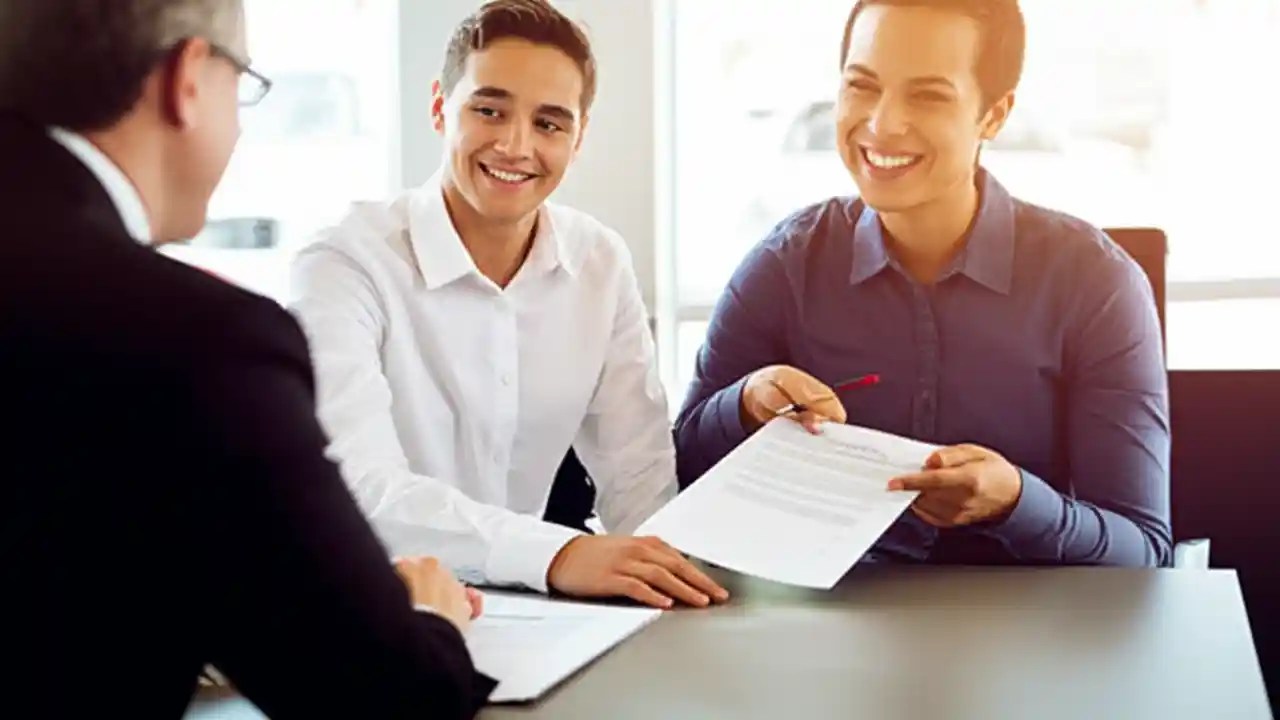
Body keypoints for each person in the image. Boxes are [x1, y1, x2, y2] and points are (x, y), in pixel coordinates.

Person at [0, 1, 494, 716]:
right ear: (188, 77)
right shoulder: (197, 342)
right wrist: (431, 618)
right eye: (244, 84)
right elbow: (390, 699)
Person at [674, 0, 1172, 567]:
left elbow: (1143, 550)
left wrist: (1016, 503)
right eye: (862, 86)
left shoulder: (1097, 283)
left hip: (1025, 612)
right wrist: (744, 405)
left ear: (993, 116)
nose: (882, 123)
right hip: (828, 608)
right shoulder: (783, 266)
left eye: (928, 96)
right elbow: (675, 477)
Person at [291, 0, 727, 610]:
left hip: (527, 617)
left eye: (549, 124)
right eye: (489, 111)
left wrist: (674, 582)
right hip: (370, 610)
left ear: (578, 138)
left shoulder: (598, 261)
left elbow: (638, 477)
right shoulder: (346, 262)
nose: (516, 145)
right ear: (440, 108)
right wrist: (558, 553)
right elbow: (359, 487)